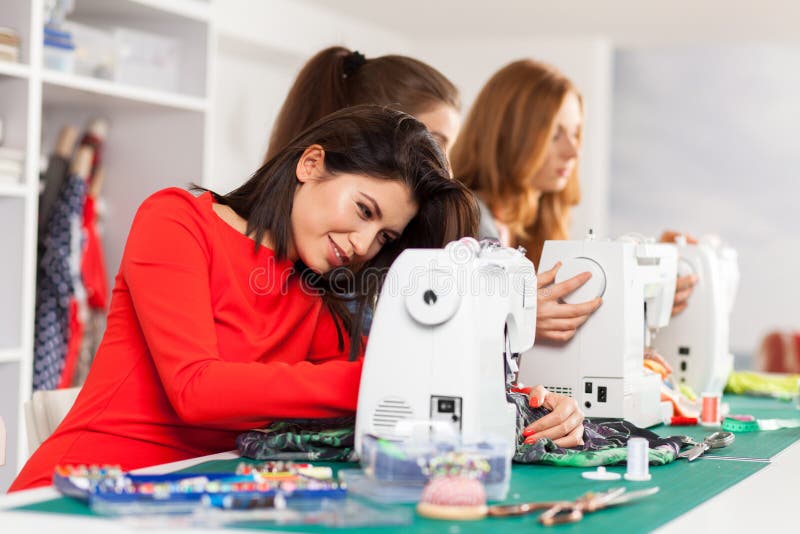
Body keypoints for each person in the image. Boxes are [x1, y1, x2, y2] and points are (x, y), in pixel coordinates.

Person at [10, 105, 479, 491]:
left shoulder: (317, 291)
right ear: (310, 164)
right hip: (79, 491)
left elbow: (374, 395)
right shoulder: (177, 221)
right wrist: (382, 381)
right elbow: (196, 390)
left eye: (383, 236)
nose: (363, 243)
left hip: (190, 497)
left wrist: (511, 396)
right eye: (363, 210)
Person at [265, 47, 586, 448]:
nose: (446, 169)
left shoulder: (374, 262)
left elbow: (433, 378)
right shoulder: (322, 279)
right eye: (432, 143)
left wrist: (526, 402)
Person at [451, 59, 696, 344]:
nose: (573, 151)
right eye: (554, 135)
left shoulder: (530, 227)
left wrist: (648, 270)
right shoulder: (468, 217)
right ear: (507, 135)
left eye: (575, 133)